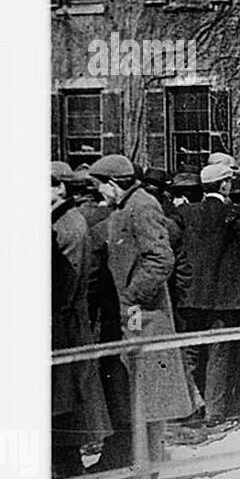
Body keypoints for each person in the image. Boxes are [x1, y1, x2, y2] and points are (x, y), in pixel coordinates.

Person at [88, 154, 193, 462]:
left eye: (100, 186)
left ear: (112, 183)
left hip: (140, 314)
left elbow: (161, 259)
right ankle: (140, 456)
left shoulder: (142, 206)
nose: (99, 194)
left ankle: (147, 459)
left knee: (143, 380)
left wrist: (131, 298)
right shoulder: (125, 207)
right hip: (133, 311)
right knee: (135, 381)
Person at [176, 160, 240, 423]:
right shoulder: (232, 214)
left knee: (189, 353)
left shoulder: (186, 213)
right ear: (224, 184)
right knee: (218, 355)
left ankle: (187, 407)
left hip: (191, 297)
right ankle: (215, 411)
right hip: (224, 300)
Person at [51, 162, 112, 478]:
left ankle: (69, 467)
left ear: (60, 188)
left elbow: (72, 280)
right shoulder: (63, 220)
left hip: (67, 323)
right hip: (68, 320)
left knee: (67, 399)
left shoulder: (68, 225)